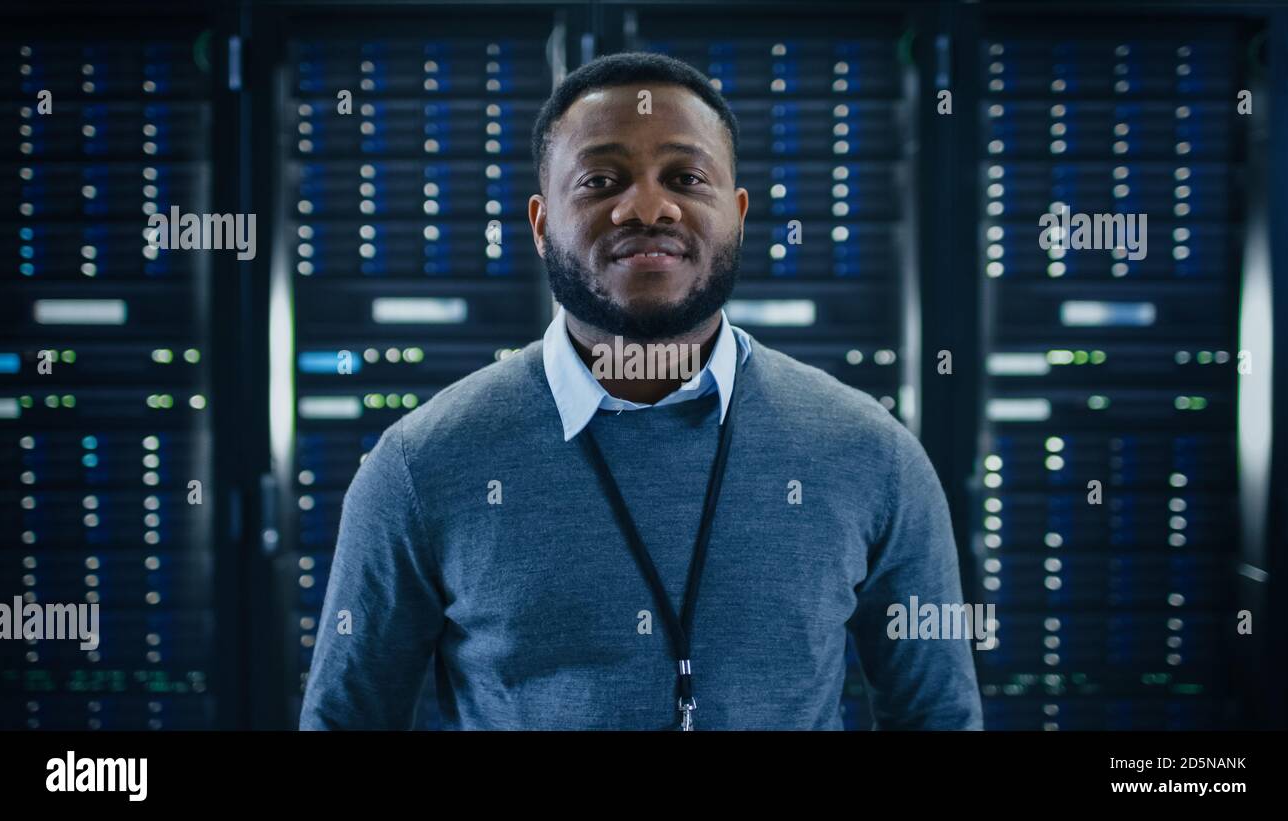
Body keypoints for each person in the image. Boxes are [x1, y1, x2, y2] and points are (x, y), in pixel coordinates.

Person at [300, 51, 982, 730]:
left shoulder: (874, 455)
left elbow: (940, 717)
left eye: (685, 177)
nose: (647, 206)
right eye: (601, 180)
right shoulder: (420, 465)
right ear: (540, 225)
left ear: (738, 215)